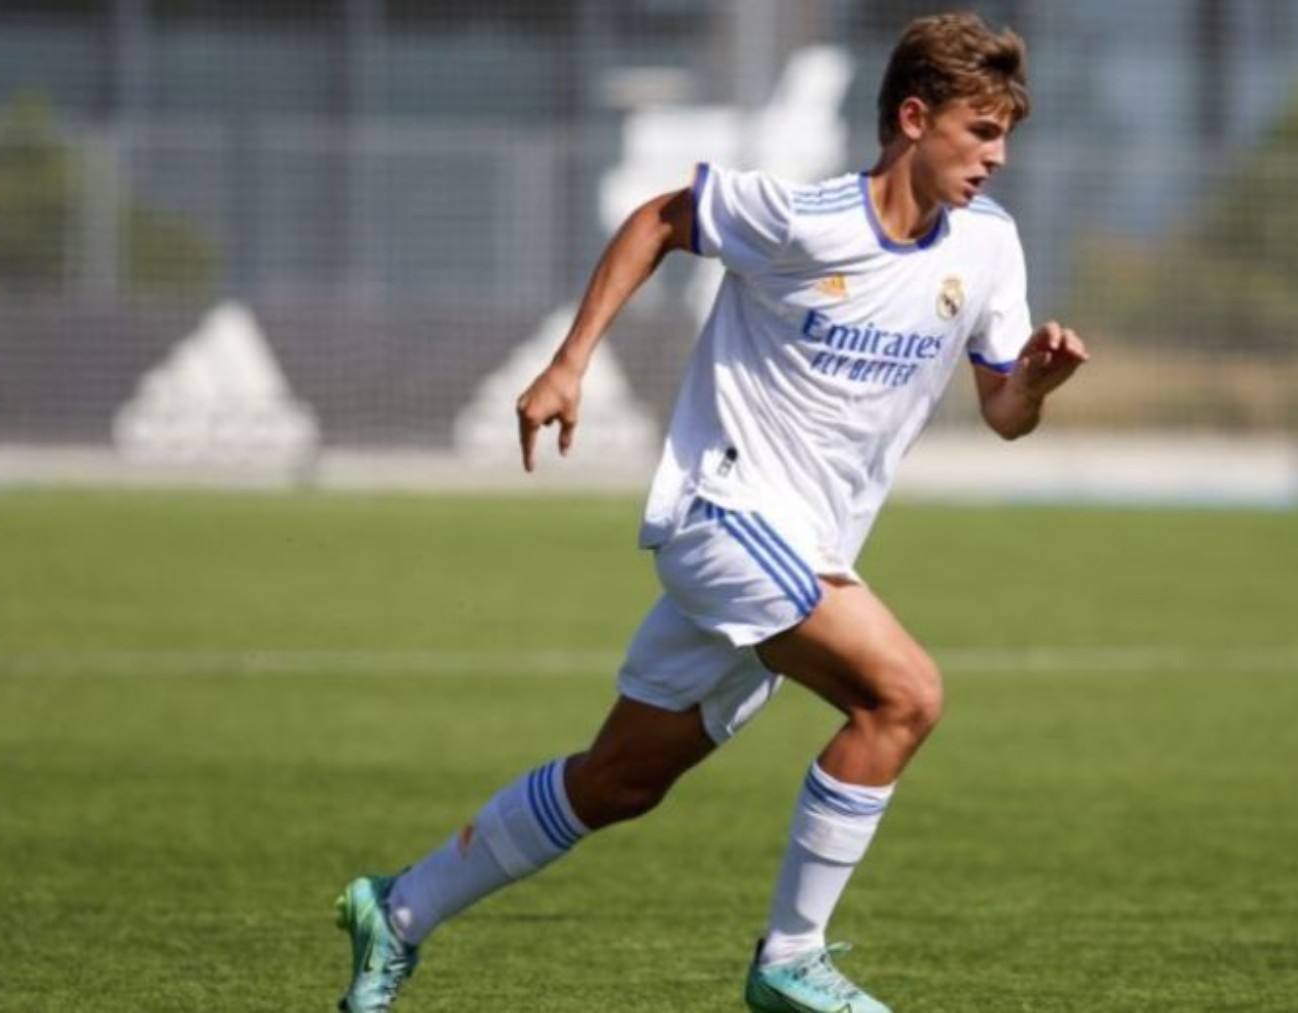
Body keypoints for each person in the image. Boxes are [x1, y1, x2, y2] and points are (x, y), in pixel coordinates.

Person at [332, 12, 1088, 1012]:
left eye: (1006, 137)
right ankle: (791, 955)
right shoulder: (806, 217)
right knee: (903, 695)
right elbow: (657, 218)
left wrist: (1035, 383)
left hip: (802, 551)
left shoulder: (988, 246)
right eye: (979, 131)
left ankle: (401, 909)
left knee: (619, 780)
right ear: (914, 117)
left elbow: (1002, 413)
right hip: (721, 513)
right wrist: (567, 363)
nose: (996, 157)